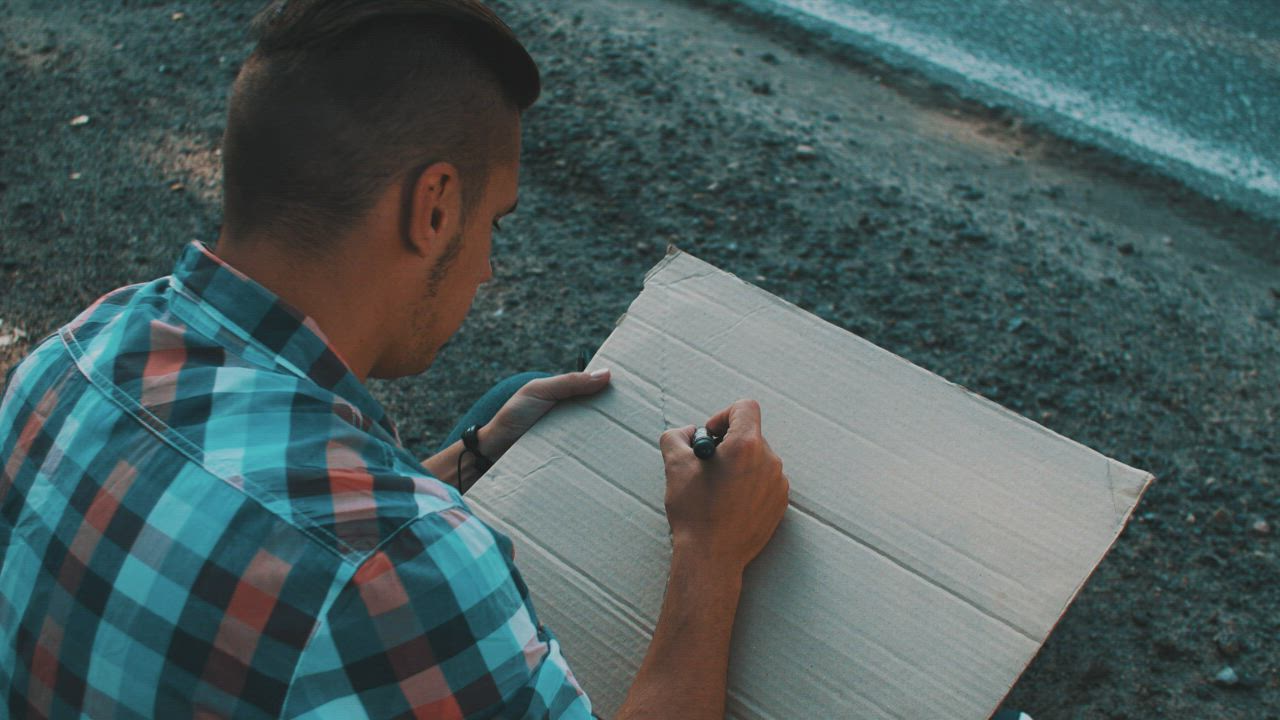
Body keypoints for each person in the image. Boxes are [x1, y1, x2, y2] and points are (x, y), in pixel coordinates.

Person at [0, 1, 790, 718]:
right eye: (494, 223)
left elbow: (250, 522)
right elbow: (347, 568)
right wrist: (710, 556)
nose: (485, 267)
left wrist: (465, 461)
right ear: (435, 206)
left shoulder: (72, 354)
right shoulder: (402, 569)